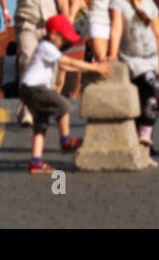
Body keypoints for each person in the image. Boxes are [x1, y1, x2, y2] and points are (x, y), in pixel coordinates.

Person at [21, 15, 110, 174]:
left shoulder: (48, 48)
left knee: (41, 125)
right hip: (34, 88)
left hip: (28, 89)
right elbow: (68, 62)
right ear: (53, 34)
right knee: (62, 106)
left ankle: (36, 162)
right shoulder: (46, 47)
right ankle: (65, 141)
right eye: (63, 39)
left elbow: (68, 68)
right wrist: (95, 68)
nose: (64, 43)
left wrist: (89, 69)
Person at [10, 0, 73, 125]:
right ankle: (27, 109)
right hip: (27, 20)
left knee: (48, 68)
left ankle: (38, 108)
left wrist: (66, 24)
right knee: (27, 61)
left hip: (52, 25)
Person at [107, 0, 159, 165]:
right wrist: (112, 55)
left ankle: (141, 151)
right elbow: (116, 29)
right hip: (133, 61)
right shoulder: (118, 1)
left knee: (143, 103)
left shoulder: (150, 4)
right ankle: (145, 133)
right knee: (158, 92)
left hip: (151, 60)